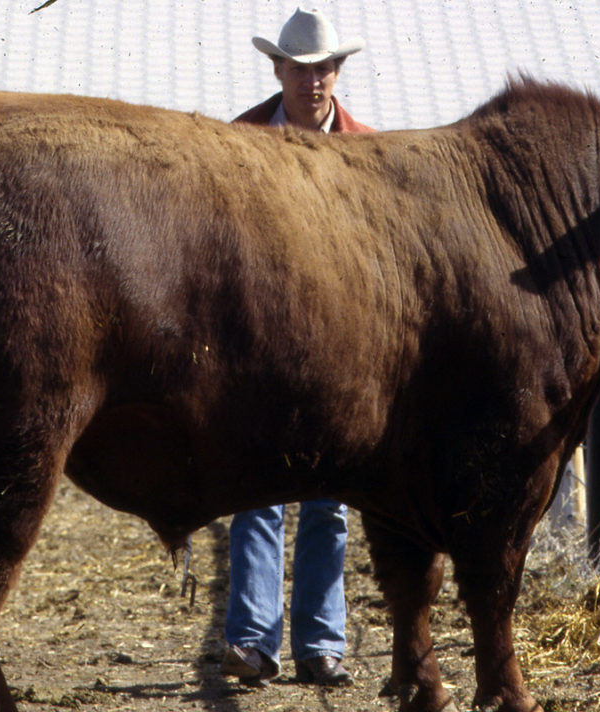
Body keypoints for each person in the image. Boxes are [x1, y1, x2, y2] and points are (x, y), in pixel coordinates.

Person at [220, 7, 373, 689]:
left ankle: (319, 645)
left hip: (341, 345)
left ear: (338, 72)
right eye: (301, 68)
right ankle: (253, 642)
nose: (314, 81)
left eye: (324, 68)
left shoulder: (371, 151)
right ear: (277, 69)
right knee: (256, 490)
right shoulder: (236, 144)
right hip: (259, 341)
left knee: (328, 500)